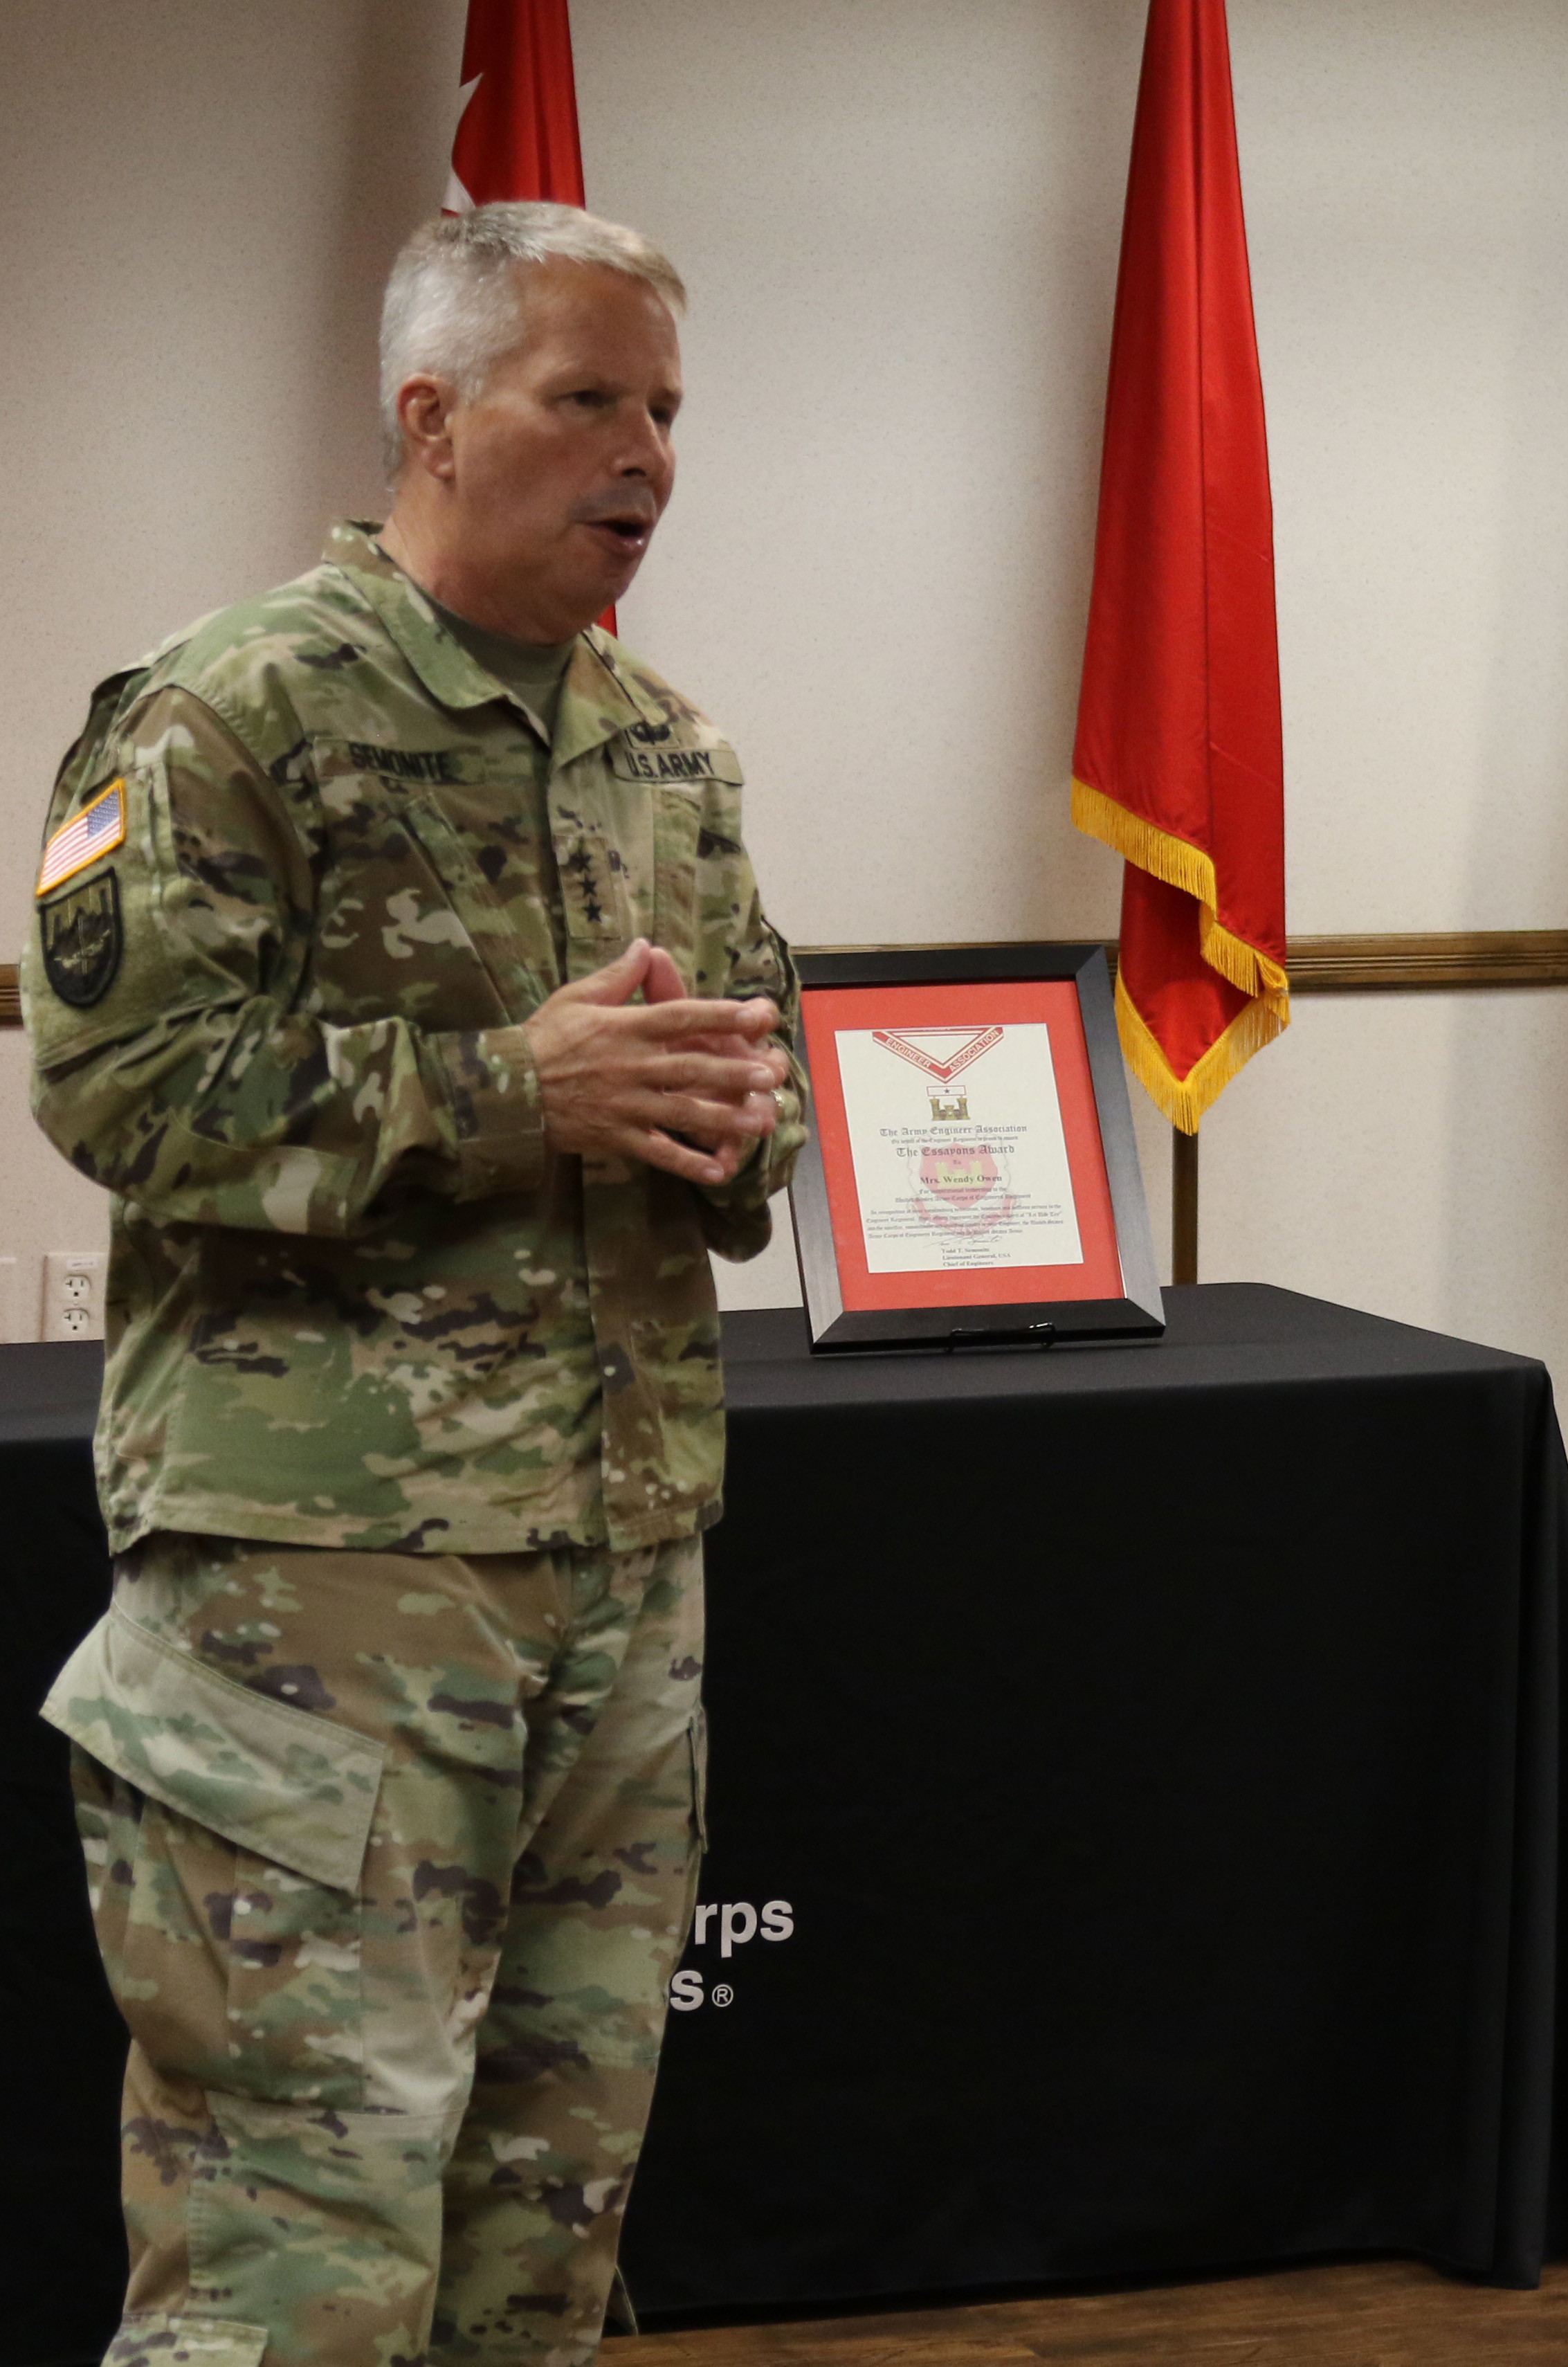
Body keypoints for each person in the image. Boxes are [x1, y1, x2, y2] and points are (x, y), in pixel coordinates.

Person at [24, 202, 803, 2360]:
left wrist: (746, 1120)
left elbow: (767, 1061)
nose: (644, 453)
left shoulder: (670, 748)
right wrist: (500, 1089)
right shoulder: (225, 711)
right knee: (299, 2249)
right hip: (319, 1601)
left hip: (620, 1570)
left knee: (539, 2242)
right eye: (589, 401)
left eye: (665, 409)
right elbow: (117, 1078)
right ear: (432, 416)